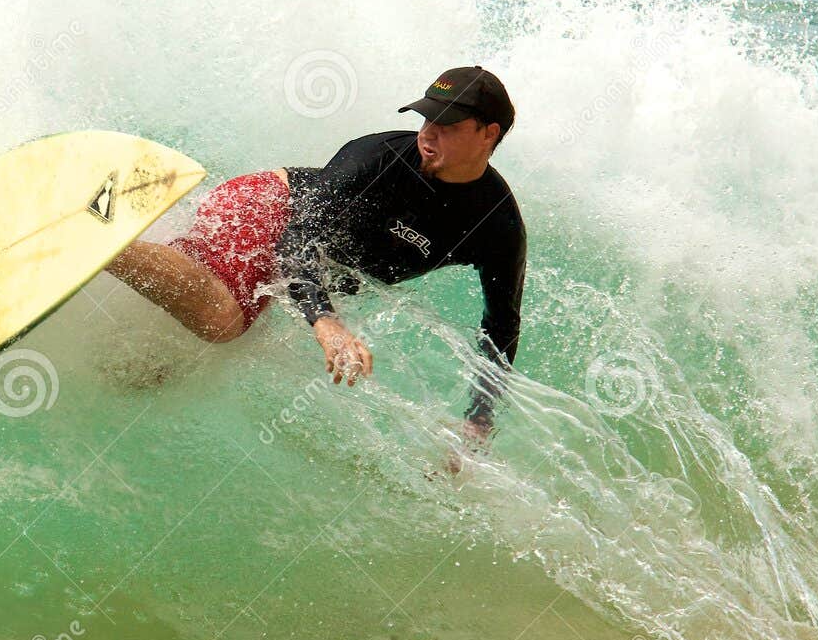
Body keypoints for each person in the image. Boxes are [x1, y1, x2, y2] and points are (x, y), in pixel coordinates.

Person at [105, 65, 526, 456]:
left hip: (299, 258)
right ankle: (106, 244)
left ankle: (121, 312)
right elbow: (299, 234)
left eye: (447, 126)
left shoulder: (496, 224)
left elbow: (501, 326)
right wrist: (325, 320)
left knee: (161, 373)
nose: (428, 134)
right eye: (426, 119)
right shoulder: (378, 157)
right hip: (270, 206)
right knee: (223, 321)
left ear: (488, 134)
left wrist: (479, 419)